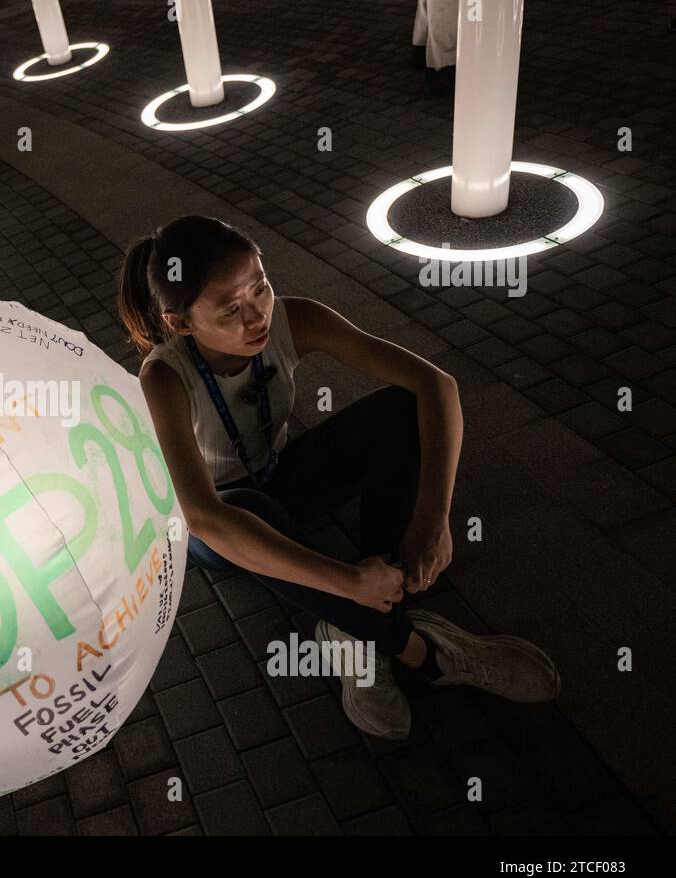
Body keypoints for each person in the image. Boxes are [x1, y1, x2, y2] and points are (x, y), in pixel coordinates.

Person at [117, 215, 559, 739]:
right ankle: (424, 654)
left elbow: (435, 385)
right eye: (230, 310)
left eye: (260, 286)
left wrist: (431, 517)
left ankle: (360, 611)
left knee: (398, 409)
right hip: (218, 529)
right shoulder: (165, 376)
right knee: (246, 510)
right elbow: (201, 514)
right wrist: (345, 581)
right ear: (182, 324)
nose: (256, 316)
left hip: (281, 477)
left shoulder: (294, 319)